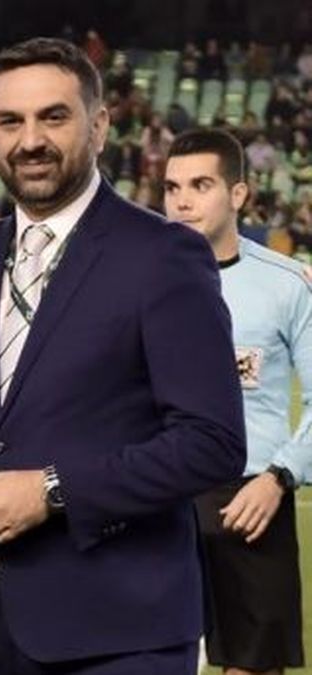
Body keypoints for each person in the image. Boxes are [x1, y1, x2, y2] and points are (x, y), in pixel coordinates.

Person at [0, 37, 246, 675]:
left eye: (53, 117)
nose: (31, 140)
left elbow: (212, 441)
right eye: (11, 121)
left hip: (123, 631)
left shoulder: (164, 256)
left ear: (100, 124)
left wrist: (55, 491)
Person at [163, 128, 309, 675]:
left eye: (201, 184)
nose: (183, 200)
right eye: (173, 186)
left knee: (251, 667)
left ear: (240, 195)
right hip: (157, 493)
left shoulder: (287, 284)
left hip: (250, 497)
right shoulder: (136, 279)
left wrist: (280, 477)